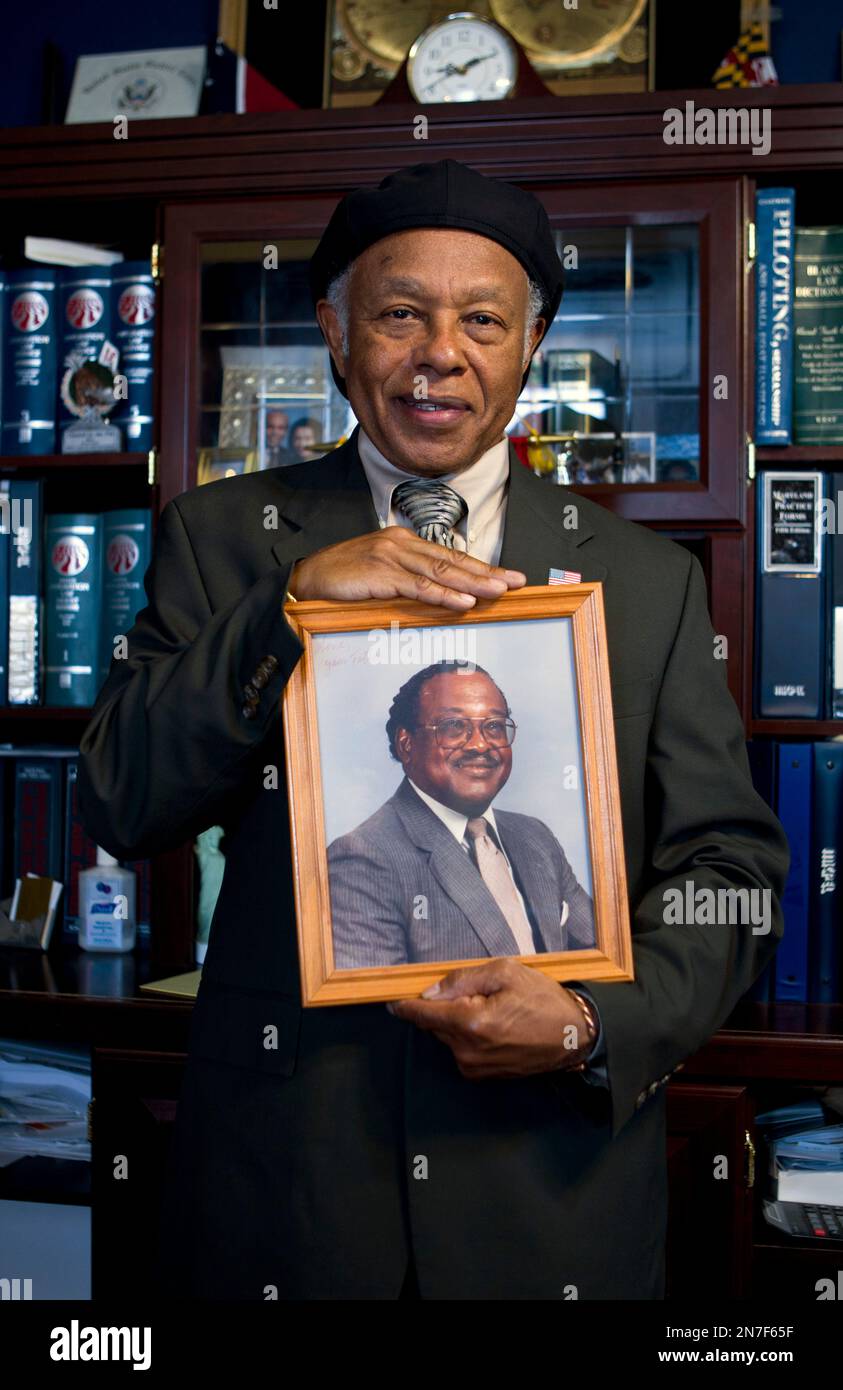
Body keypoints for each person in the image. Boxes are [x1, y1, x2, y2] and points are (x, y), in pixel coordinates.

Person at [77, 159, 788, 1300]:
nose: (440, 352)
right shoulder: (220, 539)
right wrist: (287, 607)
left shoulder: (651, 583)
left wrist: (590, 1026)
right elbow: (117, 798)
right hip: (287, 1187)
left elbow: (731, 873)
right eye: (401, 312)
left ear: (531, 345)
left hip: (551, 1197)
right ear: (337, 330)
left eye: (484, 320)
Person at [328, 660, 594, 968]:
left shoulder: (535, 837)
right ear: (406, 744)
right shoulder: (363, 858)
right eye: (454, 727)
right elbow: (372, 1009)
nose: (481, 744)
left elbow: (600, 962)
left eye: (494, 726)